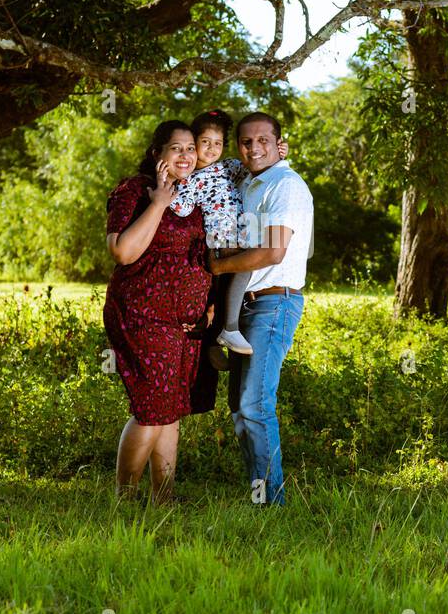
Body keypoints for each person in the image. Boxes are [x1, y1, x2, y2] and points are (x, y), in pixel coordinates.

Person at [103, 120, 212, 503]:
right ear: (157, 154)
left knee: (171, 409)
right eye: (176, 148)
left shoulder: (199, 192)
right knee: (152, 408)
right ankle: (124, 498)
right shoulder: (134, 191)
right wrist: (159, 203)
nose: (185, 155)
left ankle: (163, 498)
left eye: (190, 148)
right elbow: (123, 252)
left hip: (185, 324)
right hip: (142, 315)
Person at [208, 111, 313, 506]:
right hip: (245, 306)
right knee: (239, 405)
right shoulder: (250, 183)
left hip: (273, 302)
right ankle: (259, 494)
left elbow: (273, 250)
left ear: (278, 142)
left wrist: (217, 266)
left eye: (263, 140)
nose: (254, 148)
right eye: (246, 142)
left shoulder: (285, 184)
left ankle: (273, 501)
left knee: (255, 402)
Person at [169, 109, 289, 356]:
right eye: (205, 143)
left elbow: (257, 170)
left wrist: (278, 155)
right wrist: (165, 188)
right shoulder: (190, 180)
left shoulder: (229, 166)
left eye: (218, 143)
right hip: (223, 234)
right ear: (194, 144)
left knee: (225, 287)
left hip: (241, 229)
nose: (212, 149)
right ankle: (230, 328)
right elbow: (180, 209)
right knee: (243, 270)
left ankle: (214, 342)